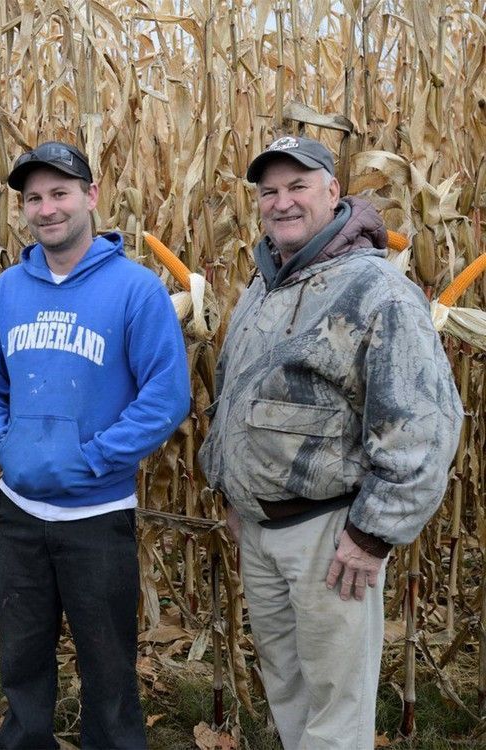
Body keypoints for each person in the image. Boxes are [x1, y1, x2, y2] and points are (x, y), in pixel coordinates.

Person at [198, 135, 463, 749]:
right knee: (288, 689)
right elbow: (236, 396)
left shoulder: (376, 291)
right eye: (269, 191)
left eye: (298, 187)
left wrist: (372, 536)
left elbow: (422, 424)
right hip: (262, 531)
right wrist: (234, 493)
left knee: (335, 707)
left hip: (330, 538)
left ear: (333, 192)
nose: (282, 202)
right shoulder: (264, 283)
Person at [0, 141, 190, 748]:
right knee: (21, 665)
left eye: (60, 193)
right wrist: (3, 447)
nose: (47, 209)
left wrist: (93, 458)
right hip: (20, 515)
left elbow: (166, 398)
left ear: (91, 197)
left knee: (109, 673)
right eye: (33, 198)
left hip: (96, 517)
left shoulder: (135, 291)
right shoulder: (8, 292)